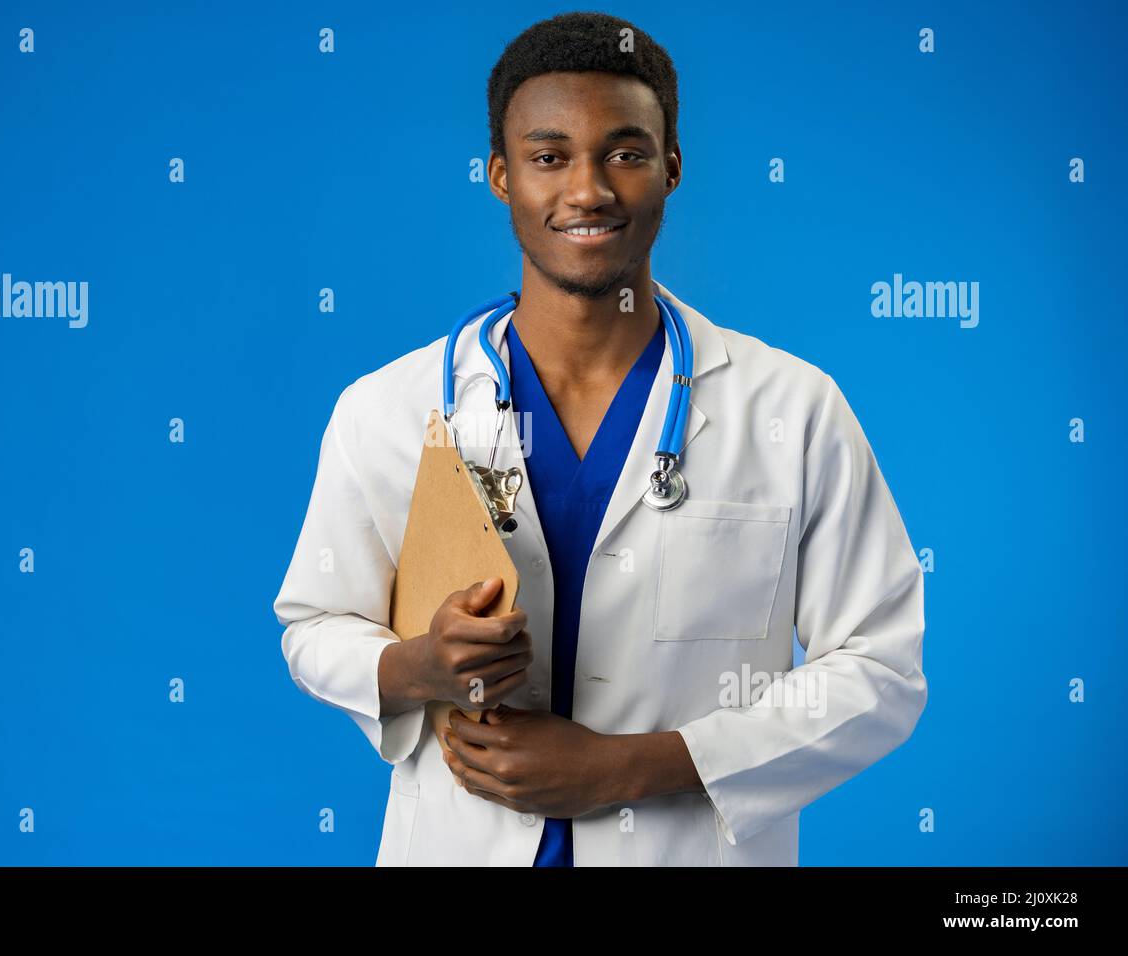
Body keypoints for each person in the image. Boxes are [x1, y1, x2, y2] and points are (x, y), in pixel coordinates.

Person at [273, 11, 926, 866]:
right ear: (502, 176)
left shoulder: (792, 408)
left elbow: (881, 671)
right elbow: (313, 626)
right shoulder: (386, 409)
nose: (588, 190)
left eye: (625, 152)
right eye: (549, 157)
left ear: (671, 168)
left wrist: (626, 769)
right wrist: (419, 668)